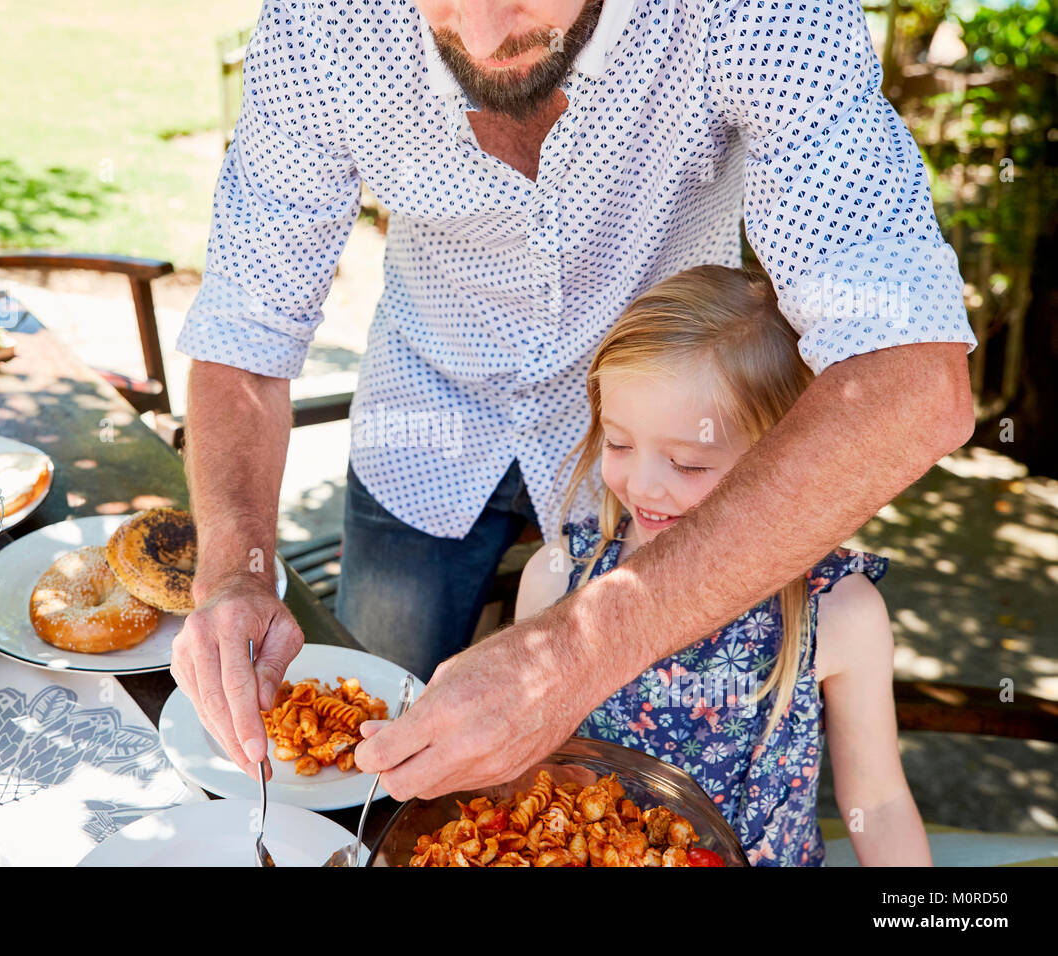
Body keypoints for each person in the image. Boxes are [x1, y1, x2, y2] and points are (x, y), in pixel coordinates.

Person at [172, 0, 977, 795]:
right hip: (422, 422)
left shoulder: (758, 11)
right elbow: (247, 329)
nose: (481, 39)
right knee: (356, 764)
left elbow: (912, 380)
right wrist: (235, 569)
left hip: (645, 437)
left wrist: (574, 651)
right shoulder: (320, 21)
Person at [513, 265, 932, 865]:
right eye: (619, 443)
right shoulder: (559, 579)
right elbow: (529, 781)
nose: (643, 485)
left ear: (784, 461)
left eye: (688, 463)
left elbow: (880, 801)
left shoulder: (839, 611)